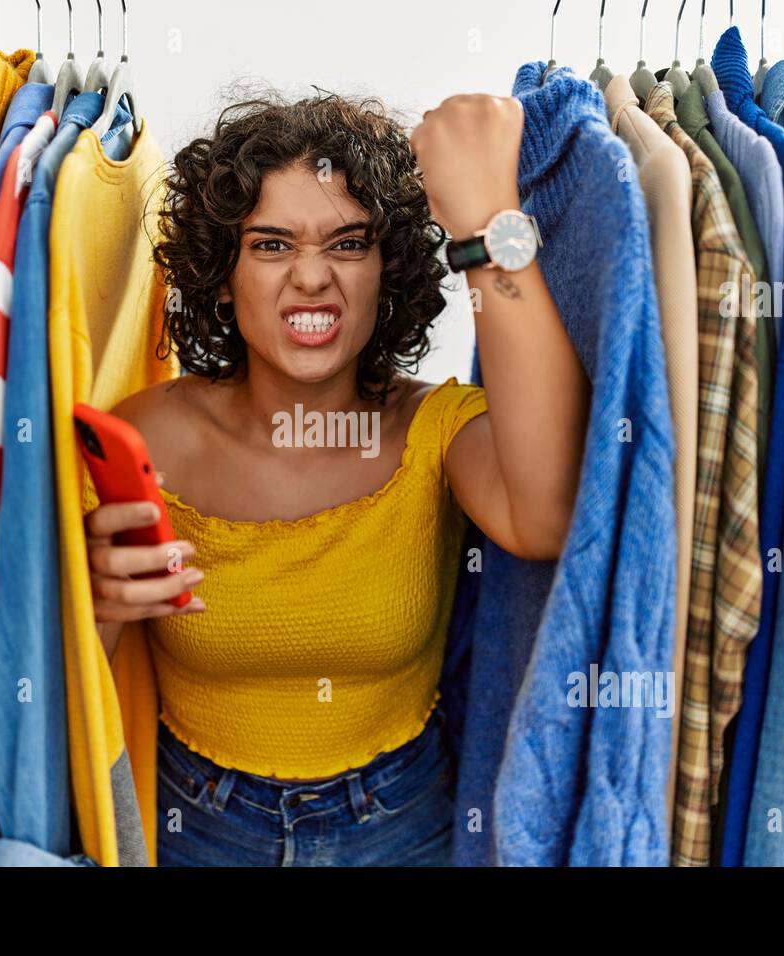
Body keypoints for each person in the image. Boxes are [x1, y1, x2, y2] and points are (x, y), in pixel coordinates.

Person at [86, 89, 589, 866]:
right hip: (194, 827)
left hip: (401, 824)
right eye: (272, 245)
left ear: (386, 270)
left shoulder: (437, 430)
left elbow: (549, 513)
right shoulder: (146, 436)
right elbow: (58, 692)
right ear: (221, 276)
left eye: (349, 244)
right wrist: (93, 610)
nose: (312, 278)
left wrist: (488, 226)